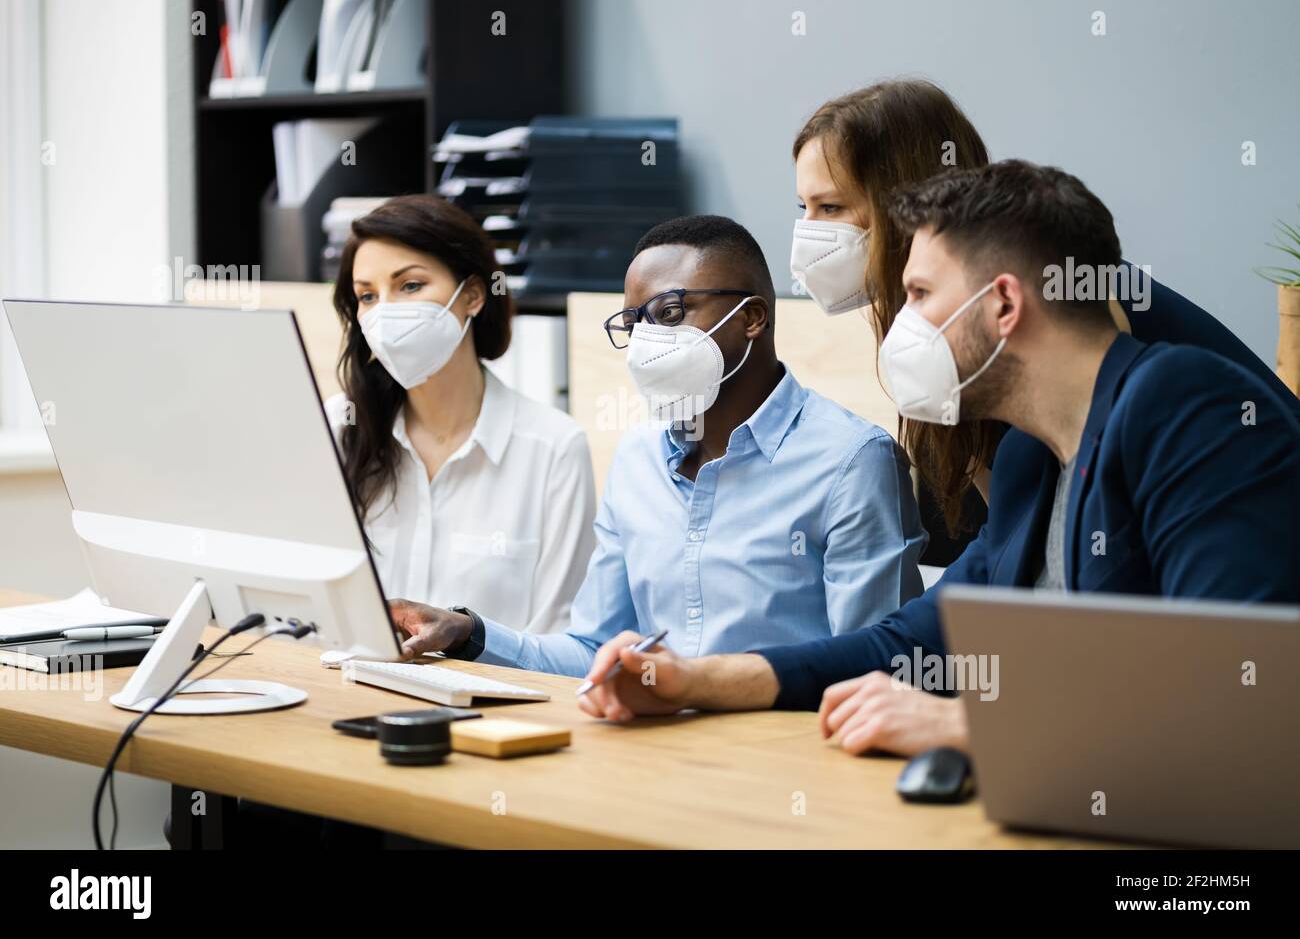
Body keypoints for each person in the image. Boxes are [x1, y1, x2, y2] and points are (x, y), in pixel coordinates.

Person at [577, 161, 1300, 754]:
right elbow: (914, 639)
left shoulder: (1186, 406)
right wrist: (695, 680)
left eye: (921, 294)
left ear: (1005, 304)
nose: (904, 325)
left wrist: (963, 725)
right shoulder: (1029, 460)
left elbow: (1239, 694)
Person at [388, 215, 927, 676]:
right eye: (634, 322)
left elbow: (871, 673)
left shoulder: (852, 461)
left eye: (669, 314)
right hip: (651, 757)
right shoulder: (638, 457)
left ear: (752, 318)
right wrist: (468, 632)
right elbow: (593, 650)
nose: (646, 339)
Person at [790, 79, 1300, 546]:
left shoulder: (1064, 304)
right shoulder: (931, 331)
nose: (810, 232)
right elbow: (1013, 554)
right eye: (803, 209)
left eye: (831, 208)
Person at [324, 194, 596, 635]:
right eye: (367, 296)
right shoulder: (336, 427)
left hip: (493, 702)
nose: (385, 312)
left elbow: (560, 644)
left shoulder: (554, 449)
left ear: (472, 295)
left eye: (410, 286)